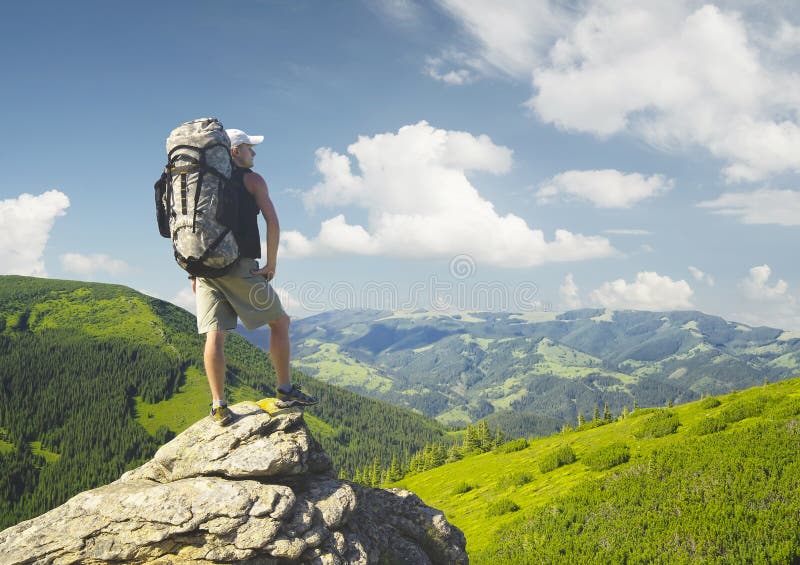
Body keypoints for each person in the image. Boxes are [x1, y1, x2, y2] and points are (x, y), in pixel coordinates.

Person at [191, 127, 318, 425]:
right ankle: (285, 391)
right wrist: (271, 263)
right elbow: (272, 221)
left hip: (204, 269)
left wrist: (192, 271)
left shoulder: (203, 182)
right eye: (249, 147)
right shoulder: (252, 179)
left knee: (215, 334)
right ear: (235, 151)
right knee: (280, 321)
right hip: (238, 265)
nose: (254, 153)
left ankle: (219, 406)